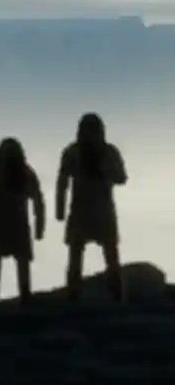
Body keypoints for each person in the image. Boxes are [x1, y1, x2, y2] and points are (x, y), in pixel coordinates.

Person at [57, 113, 128, 303]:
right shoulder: (74, 152)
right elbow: (62, 181)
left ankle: (116, 295)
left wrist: (106, 171)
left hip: (99, 209)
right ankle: (75, 295)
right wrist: (60, 208)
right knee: (77, 255)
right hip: (84, 210)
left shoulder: (106, 152)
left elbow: (121, 177)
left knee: (109, 255)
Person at [0, 138, 45, 306]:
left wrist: (39, 226)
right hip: (4, 223)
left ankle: (22, 295)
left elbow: (38, 201)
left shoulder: (23, 174)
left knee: (16, 262)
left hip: (14, 223)